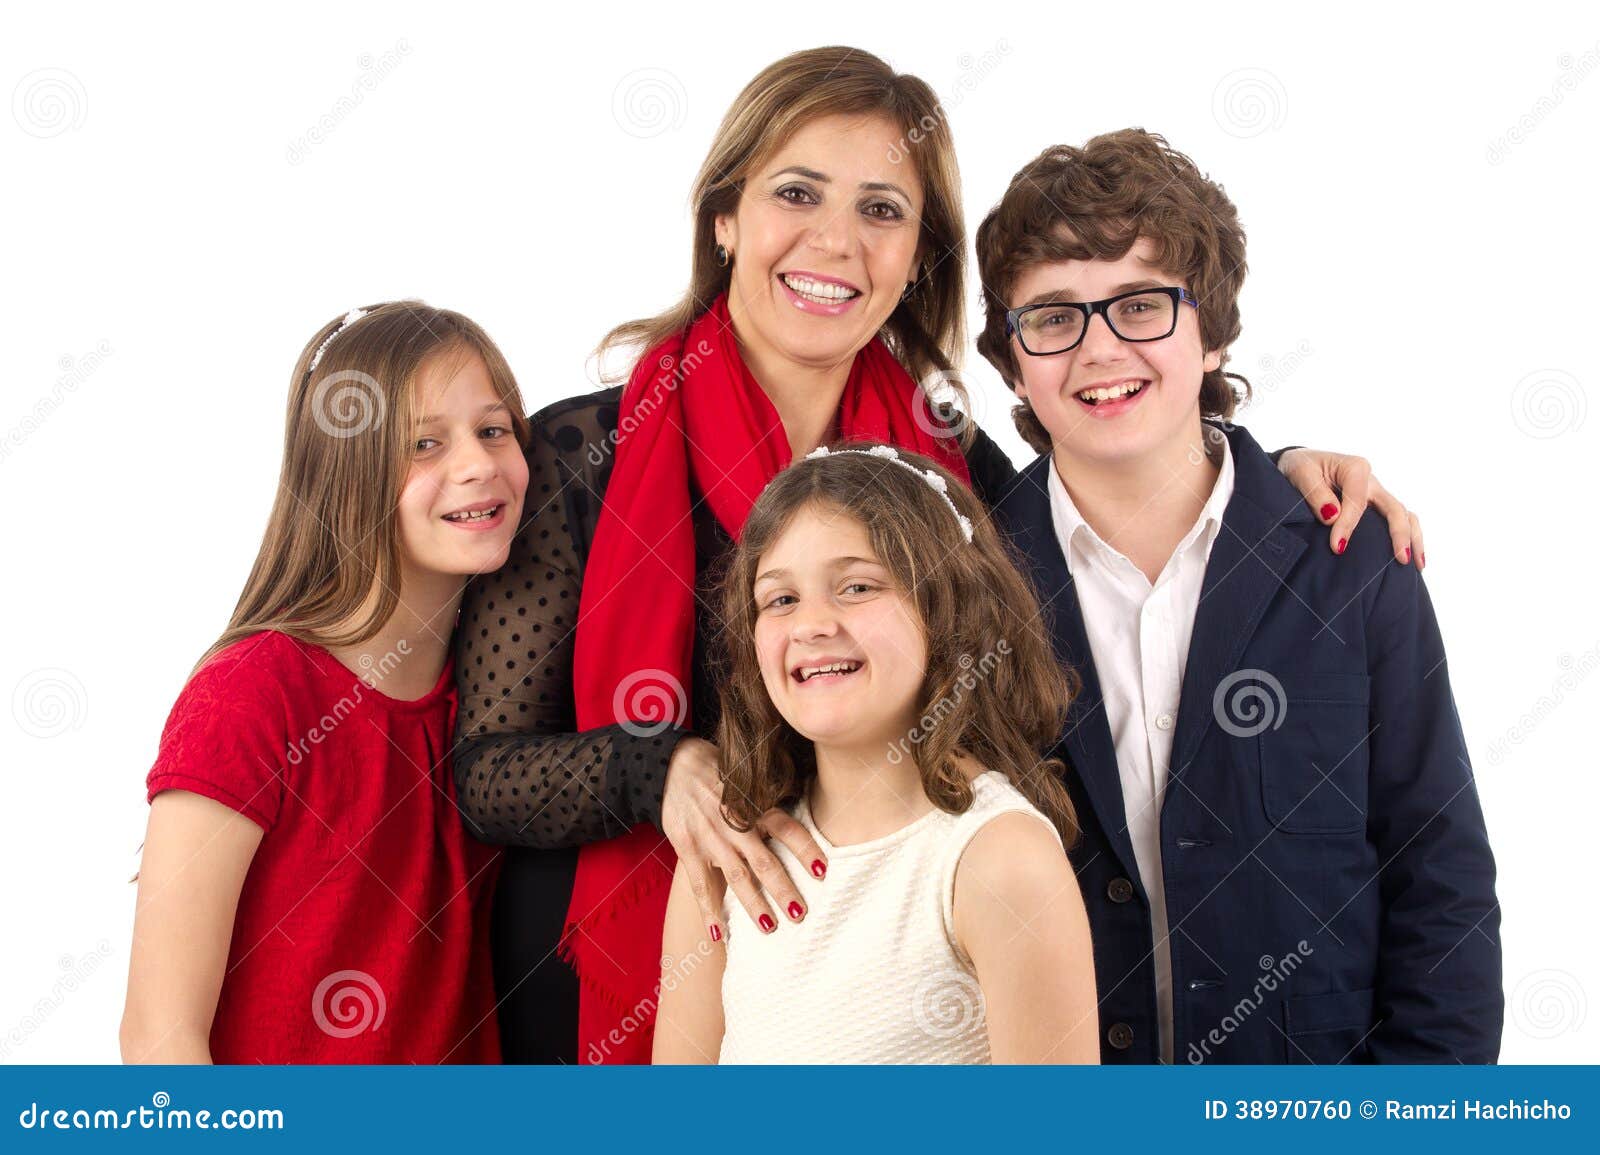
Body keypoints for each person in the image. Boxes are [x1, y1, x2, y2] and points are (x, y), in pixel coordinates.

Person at [451, 47, 1426, 1065]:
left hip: (892, 979)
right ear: (724, 218)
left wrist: (1270, 476)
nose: (835, 240)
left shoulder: (950, 463)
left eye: (881, 209)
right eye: (796, 193)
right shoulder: (579, 455)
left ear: (920, 254)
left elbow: (1099, 489)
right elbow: (481, 772)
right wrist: (663, 770)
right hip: (601, 976)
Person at [981, 130, 1502, 1063]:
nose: (1099, 349)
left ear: (1212, 332)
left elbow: (1441, 877)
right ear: (1014, 360)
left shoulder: (1352, 558)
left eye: (1141, 305)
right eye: (1054, 317)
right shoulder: (962, 570)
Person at [121, 302, 528, 1063]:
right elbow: (158, 1037)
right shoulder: (252, 693)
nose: (477, 463)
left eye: (494, 428)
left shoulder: (502, 702)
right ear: (351, 473)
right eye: (424, 443)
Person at [653, 444, 1098, 1064]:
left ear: (948, 610)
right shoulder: (732, 851)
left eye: (857, 586)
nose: (811, 624)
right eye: (781, 599)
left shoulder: (999, 860)